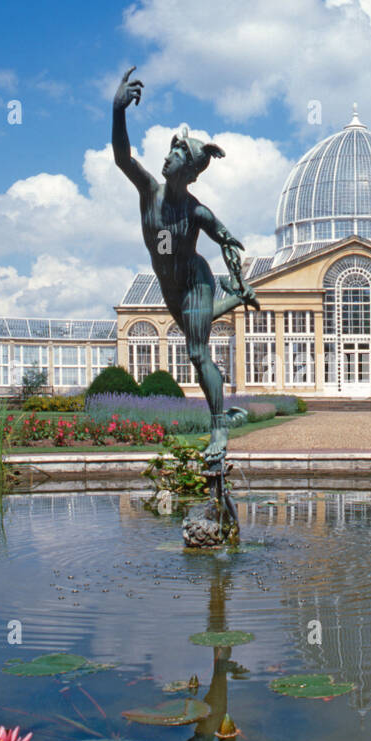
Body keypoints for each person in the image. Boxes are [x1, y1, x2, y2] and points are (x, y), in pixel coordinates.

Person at [112, 66, 259, 466]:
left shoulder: (197, 211)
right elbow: (123, 158)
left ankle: (218, 428)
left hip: (194, 280)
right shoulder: (150, 191)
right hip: (169, 286)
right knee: (198, 334)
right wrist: (118, 110)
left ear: (191, 169)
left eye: (176, 153)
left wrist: (235, 265)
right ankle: (237, 299)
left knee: (197, 351)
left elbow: (228, 239)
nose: (167, 156)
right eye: (171, 150)